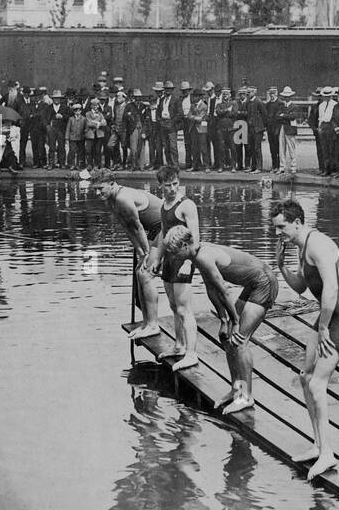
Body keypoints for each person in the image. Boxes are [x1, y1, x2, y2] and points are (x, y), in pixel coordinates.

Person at [273, 198, 339, 480]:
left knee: (317, 383)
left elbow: (332, 291)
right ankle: (318, 445)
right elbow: (302, 286)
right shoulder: (302, 247)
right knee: (305, 377)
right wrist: (281, 264)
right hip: (328, 317)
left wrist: (323, 328)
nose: (278, 233)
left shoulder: (319, 244)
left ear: (297, 223)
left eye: (281, 227)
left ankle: (328, 454)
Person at [162, 226, 278, 414]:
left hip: (264, 283)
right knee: (227, 338)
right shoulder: (197, 255)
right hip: (252, 284)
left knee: (239, 341)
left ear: (185, 245)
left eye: (175, 253)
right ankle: (236, 389)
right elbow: (212, 290)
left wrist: (236, 321)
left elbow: (224, 290)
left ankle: (246, 397)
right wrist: (224, 320)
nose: (174, 257)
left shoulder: (203, 257)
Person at [148, 166, 200, 370]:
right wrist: (157, 259)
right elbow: (163, 234)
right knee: (173, 306)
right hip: (169, 260)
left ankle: (192, 353)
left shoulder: (187, 205)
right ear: (160, 185)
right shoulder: (164, 205)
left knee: (184, 309)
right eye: (167, 185)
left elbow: (195, 239)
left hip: (182, 261)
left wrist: (189, 262)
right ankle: (179, 346)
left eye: (175, 184)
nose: (172, 188)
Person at [101, 175, 165, 340]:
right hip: (153, 230)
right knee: (139, 272)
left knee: (146, 274)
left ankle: (153, 325)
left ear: (112, 184)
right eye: (94, 189)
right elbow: (126, 227)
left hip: (166, 226)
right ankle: (146, 323)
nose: (97, 192)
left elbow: (138, 227)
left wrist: (145, 253)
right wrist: (140, 251)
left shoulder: (122, 197)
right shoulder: (110, 199)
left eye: (100, 188)